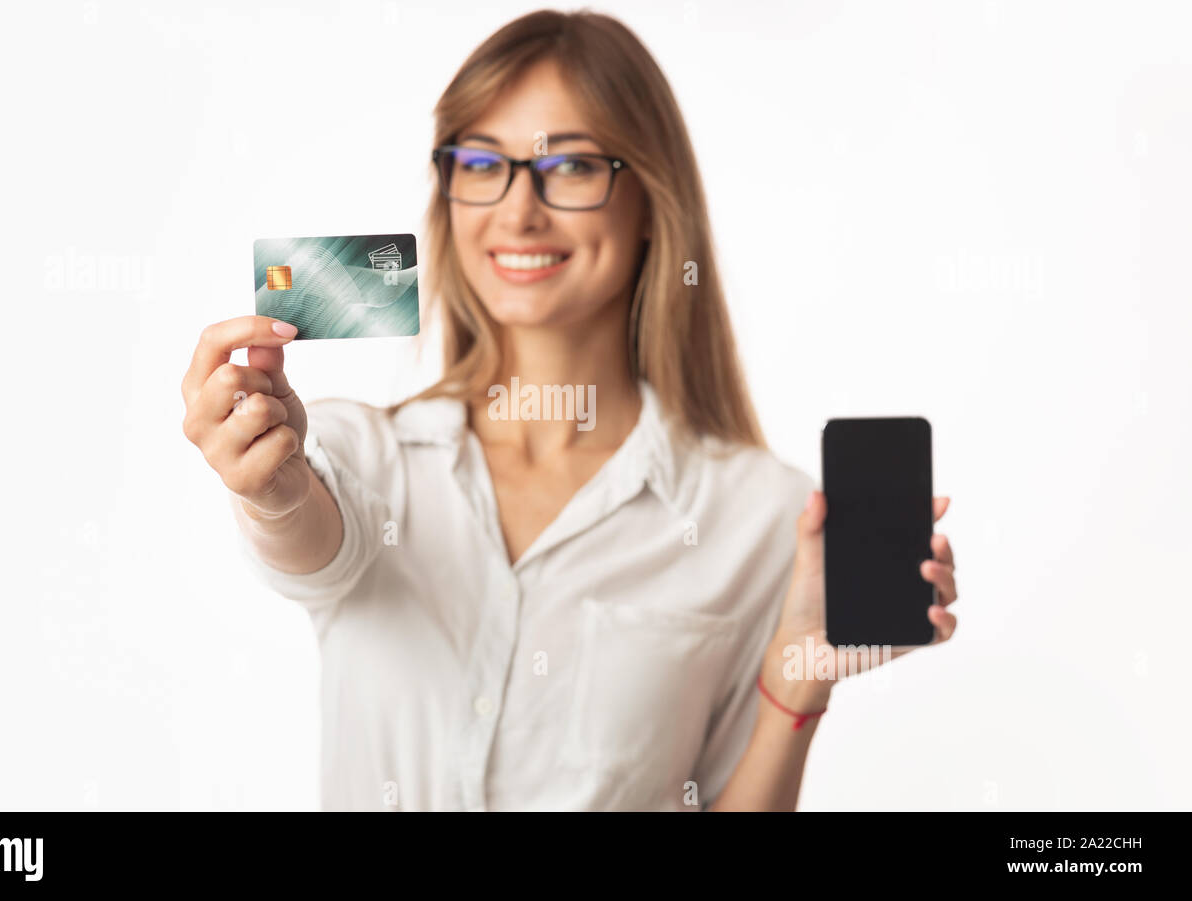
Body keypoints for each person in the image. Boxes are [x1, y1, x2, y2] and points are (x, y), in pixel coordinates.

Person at [180, 10, 959, 811]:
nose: (519, 211)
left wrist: (797, 684)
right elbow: (311, 536)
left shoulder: (762, 518)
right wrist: (271, 488)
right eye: (482, 163)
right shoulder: (359, 452)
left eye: (573, 167)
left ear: (653, 201)